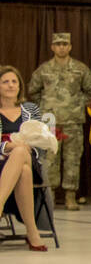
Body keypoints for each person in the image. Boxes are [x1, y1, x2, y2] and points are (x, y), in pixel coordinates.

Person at [28, 32, 91, 210]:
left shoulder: (80, 69)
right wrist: (46, 106)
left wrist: (77, 105)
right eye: (58, 44)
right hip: (50, 122)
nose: (61, 47)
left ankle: (70, 196)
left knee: (72, 159)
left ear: (70, 47)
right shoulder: (44, 69)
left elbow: (90, 91)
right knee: (50, 159)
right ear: (52, 47)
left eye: (65, 44)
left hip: (73, 121)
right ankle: (50, 195)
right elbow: (33, 91)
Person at [0, 66, 49, 250]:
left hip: (30, 156)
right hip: (2, 164)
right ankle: (32, 232)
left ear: (20, 86)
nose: (11, 85)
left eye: (14, 82)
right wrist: (9, 146)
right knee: (23, 171)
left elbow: (40, 140)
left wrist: (20, 147)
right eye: (5, 82)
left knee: (22, 154)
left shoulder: (30, 109)